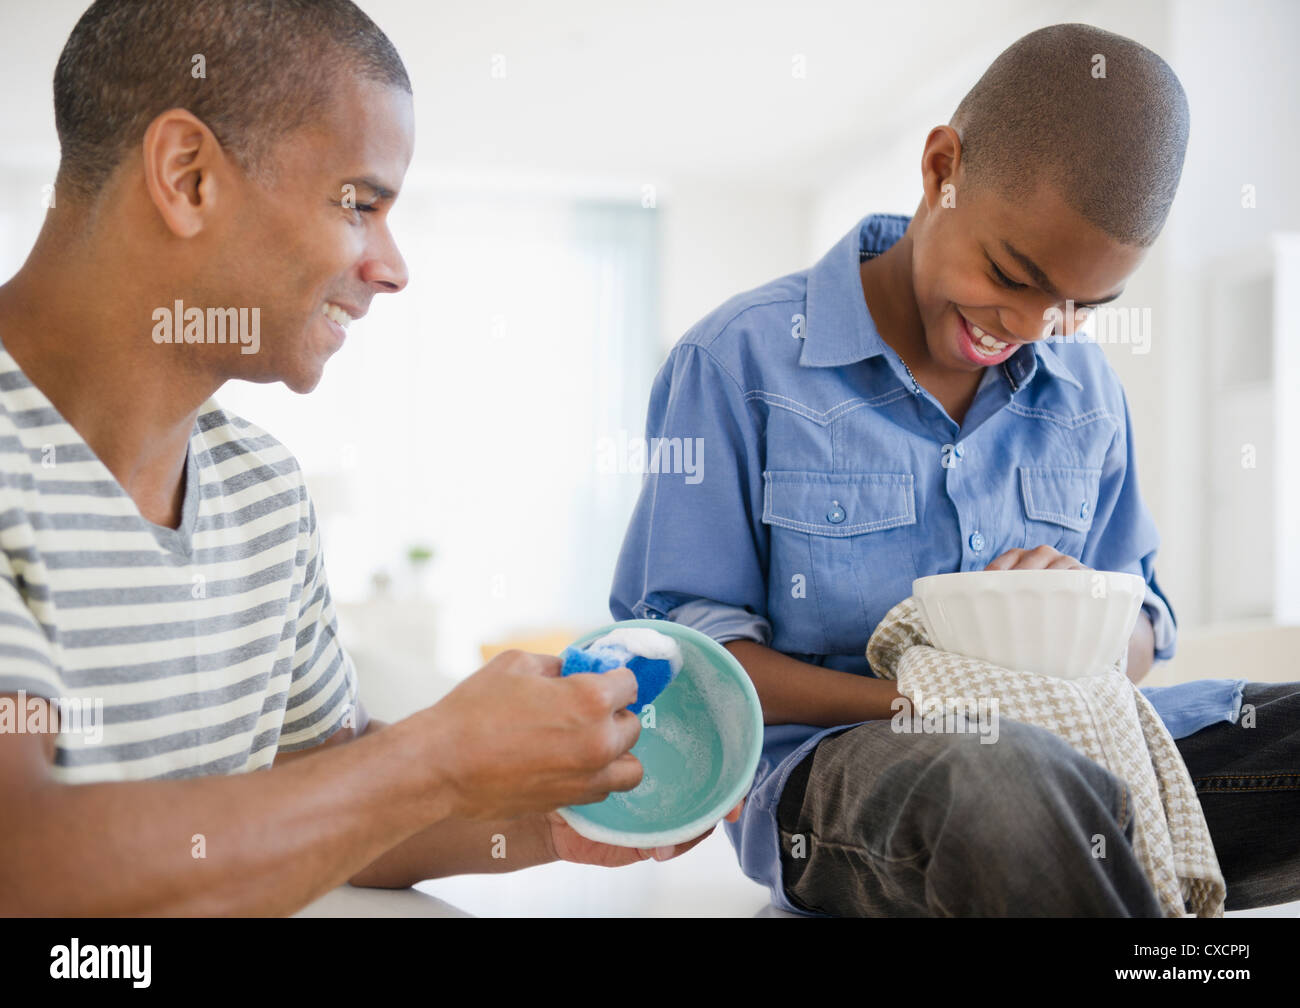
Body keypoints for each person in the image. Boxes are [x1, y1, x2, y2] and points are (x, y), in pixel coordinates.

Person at [0, 0, 733, 917]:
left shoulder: (264, 490)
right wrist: (435, 755)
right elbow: (22, 864)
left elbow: (323, 788)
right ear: (188, 178)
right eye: (359, 204)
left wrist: (547, 811)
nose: (392, 267)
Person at [610, 22, 1299, 915]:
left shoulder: (1083, 388)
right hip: (851, 771)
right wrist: (938, 702)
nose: (1034, 325)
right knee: (1005, 779)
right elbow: (696, 660)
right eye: (1013, 274)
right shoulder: (737, 363)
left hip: (1099, 745)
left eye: (1082, 305)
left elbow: (1141, 619)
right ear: (943, 169)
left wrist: (1073, 613)